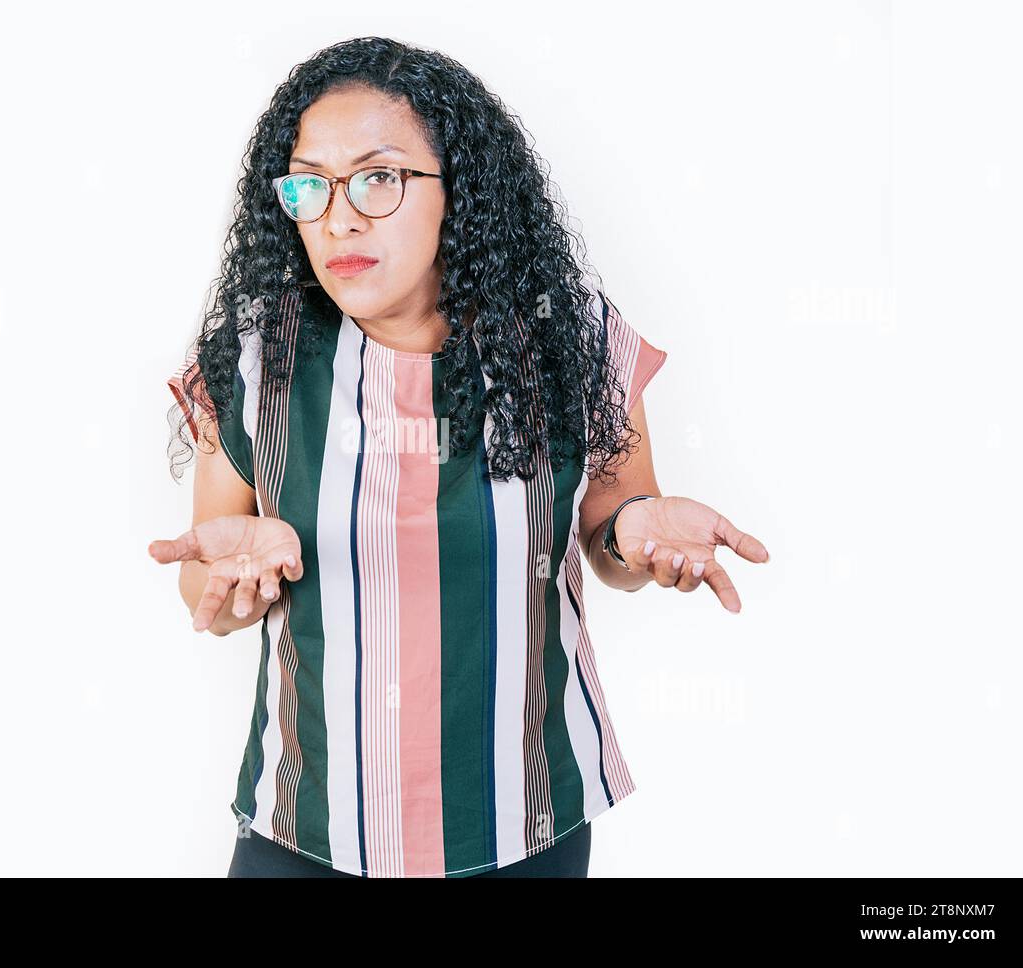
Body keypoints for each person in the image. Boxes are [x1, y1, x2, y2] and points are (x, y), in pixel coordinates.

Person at [148, 37, 770, 879]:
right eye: (311, 185)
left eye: (379, 177)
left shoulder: (568, 341)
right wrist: (228, 590)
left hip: (522, 827)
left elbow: (610, 546)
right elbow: (209, 595)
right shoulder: (257, 361)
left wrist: (635, 533)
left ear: (459, 190)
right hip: (306, 832)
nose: (339, 219)